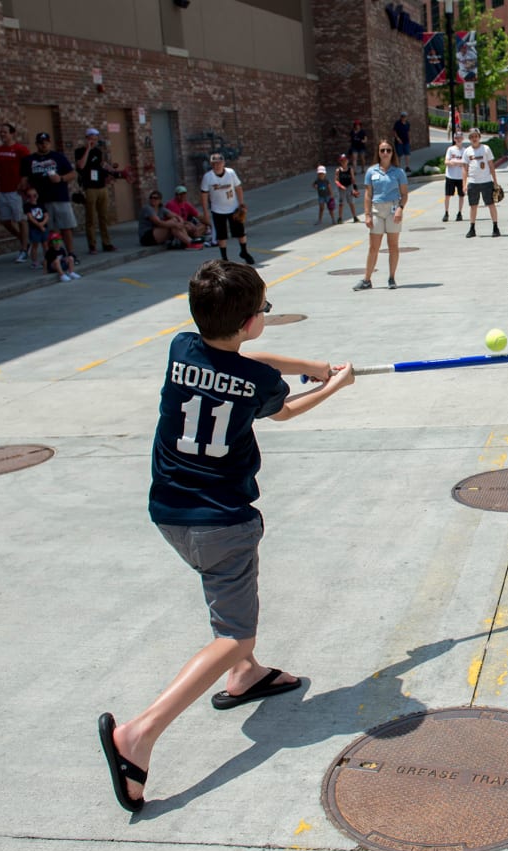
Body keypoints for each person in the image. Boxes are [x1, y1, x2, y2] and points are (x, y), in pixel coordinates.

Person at [98, 259, 354, 814]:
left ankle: (246, 674)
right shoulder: (258, 382)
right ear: (246, 322)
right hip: (221, 519)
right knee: (234, 630)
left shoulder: (181, 348)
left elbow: (236, 359)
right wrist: (333, 384)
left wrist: (308, 363)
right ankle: (138, 736)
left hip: (169, 509)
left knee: (226, 594)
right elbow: (282, 409)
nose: (265, 316)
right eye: (263, 310)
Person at [354, 140, 409, 291]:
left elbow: (404, 194)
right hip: (377, 210)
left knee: (393, 246)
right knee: (373, 247)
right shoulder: (372, 171)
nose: (385, 153)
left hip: (393, 210)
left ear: (392, 153)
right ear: (378, 153)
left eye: (388, 150)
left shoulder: (399, 172)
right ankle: (367, 280)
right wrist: (367, 214)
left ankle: (391, 277)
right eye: (382, 150)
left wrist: (400, 209)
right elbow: (367, 194)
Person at [24, 132, 78, 255]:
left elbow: (72, 174)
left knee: (66, 228)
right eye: (41, 143)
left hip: (60, 197)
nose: (44, 145)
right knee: (48, 230)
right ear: (36, 144)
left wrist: (61, 178)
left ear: (49, 143)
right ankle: (52, 256)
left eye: (46, 142)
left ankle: (71, 253)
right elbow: (25, 179)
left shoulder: (58, 157)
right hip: (42, 200)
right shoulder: (30, 160)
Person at [200, 153, 253, 265]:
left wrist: (241, 203)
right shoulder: (208, 177)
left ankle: (244, 251)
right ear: (211, 164)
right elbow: (204, 195)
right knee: (222, 235)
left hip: (233, 207)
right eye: (214, 163)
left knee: (240, 232)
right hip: (217, 209)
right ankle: (224, 257)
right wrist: (205, 212)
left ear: (223, 163)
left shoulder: (230, 173)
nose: (217, 165)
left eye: (219, 163)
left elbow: (238, 188)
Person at [75, 128, 119, 253]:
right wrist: (88, 149)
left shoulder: (98, 152)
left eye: (95, 139)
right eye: (91, 139)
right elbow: (81, 165)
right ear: (86, 139)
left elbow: (101, 165)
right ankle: (92, 245)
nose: (93, 141)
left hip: (101, 187)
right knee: (91, 218)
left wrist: (111, 172)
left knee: (103, 216)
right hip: (90, 188)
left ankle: (106, 243)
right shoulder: (80, 151)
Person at [0, 122, 31, 260]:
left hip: (16, 190)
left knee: (21, 219)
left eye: (5, 132)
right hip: (3, 189)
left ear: (12, 133)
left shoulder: (20, 149)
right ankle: (24, 240)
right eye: (1, 132)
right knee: (5, 220)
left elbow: (28, 168)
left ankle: (24, 248)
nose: (3, 134)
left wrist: (24, 182)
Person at [462, 129, 500, 238]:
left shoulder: (486, 149)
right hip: (473, 182)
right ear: (469, 139)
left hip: (486, 181)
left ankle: (495, 227)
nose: (474, 139)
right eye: (472, 137)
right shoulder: (467, 151)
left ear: (479, 137)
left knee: (490, 204)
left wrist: (495, 182)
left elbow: (491, 165)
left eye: (476, 136)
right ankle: (472, 228)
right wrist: (464, 184)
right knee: (473, 205)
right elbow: (465, 169)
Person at [442, 130, 467, 222]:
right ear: (454, 139)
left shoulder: (465, 151)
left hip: (461, 177)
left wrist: (455, 162)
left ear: (463, 139)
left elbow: (465, 163)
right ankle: (446, 212)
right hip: (450, 176)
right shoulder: (450, 149)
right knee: (447, 195)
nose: (458, 139)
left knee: (461, 195)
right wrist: (455, 163)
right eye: (457, 138)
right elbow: (446, 162)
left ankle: (459, 213)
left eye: (460, 138)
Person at [23, 187, 49, 267]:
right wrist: (39, 225)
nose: (32, 198)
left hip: (44, 227)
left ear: (37, 195)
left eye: (34, 195)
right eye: (29, 196)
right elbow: (30, 217)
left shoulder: (41, 204)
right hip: (34, 228)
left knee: (45, 244)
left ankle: (47, 259)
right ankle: (34, 262)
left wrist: (43, 223)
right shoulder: (27, 206)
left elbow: (46, 215)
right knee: (35, 245)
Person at [333, 154, 360, 224]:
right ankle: (340, 218)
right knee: (341, 203)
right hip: (341, 188)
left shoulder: (350, 169)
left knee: (351, 203)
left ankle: (355, 217)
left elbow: (353, 179)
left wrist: (355, 189)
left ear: (347, 161)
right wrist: (341, 186)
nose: (344, 162)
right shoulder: (338, 170)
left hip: (349, 187)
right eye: (342, 160)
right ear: (340, 161)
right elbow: (336, 180)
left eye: (345, 160)